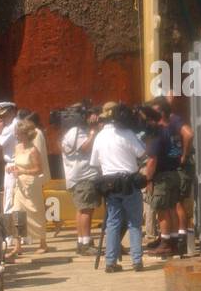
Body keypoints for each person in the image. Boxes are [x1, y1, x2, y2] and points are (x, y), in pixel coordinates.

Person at [89, 103, 148, 273]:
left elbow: (94, 163)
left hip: (109, 184)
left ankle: (110, 262)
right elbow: (142, 154)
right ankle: (137, 261)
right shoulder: (127, 134)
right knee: (134, 223)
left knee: (112, 223)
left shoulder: (100, 137)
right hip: (129, 181)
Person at [151, 97, 195, 255]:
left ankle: (167, 241)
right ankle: (179, 240)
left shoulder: (163, 126)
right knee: (176, 204)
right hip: (179, 169)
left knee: (166, 206)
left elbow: (189, 134)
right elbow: (188, 134)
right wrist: (183, 155)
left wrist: (184, 155)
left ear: (161, 112)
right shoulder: (175, 120)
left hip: (169, 170)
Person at [61, 105, 101, 256]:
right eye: (90, 114)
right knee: (86, 211)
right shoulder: (77, 132)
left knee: (82, 210)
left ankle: (82, 241)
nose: (92, 117)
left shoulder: (70, 132)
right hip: (84, 176)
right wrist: (93, 132)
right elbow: (85, 147)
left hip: (76, 176)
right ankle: (85, 244)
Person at [140, 106, 179, 258]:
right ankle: (173, 241)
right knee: (171, 209)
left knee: (162, 211)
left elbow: (152, 160)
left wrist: (148, 179)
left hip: (161, 176)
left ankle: (166, 244)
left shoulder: (155, 134)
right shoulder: (168, 129)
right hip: (173, 173)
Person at [7, 120, 48, 258]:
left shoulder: (33, 150)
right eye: (16, 134)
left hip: (31, 185)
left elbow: (39, 169)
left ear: (27, 134)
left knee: (36, 212)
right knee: (17, 213)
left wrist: (23, 172)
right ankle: (17, 246)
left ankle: (43, 242)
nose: (17, 136)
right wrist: (14, 168)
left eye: (19, 134)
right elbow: (18, 164)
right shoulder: (17, 147)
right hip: (20, 185)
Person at [0, 102, 20, 250]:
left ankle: (10, 236)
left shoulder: (10, 128)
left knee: (10, 202)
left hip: (12, 165)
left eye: (5, 115)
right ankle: (20, 237)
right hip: (15, 164)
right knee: (18, 202)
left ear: (12, 112)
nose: (2, 119)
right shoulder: (16, 124)